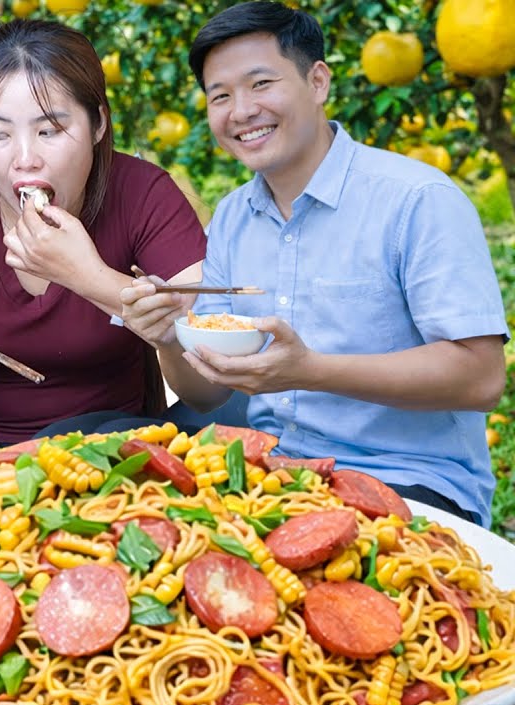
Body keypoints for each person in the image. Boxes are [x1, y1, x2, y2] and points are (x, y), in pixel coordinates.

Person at [120, 1, 507, 526]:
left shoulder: (417, 199)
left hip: (409, 479)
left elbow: (481, 378)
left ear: (318, 81)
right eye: (221, 96)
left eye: (261, 84)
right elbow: (206, 395)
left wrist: (312, 371)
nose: (241, 111)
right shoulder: (233, 217)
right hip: (274, 478)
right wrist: (167, 336)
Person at [0, 19, 208, 466]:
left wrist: (88, 278)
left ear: (98, 124)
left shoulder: (143, 193)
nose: (24, 159)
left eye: (49, 130)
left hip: (119, 446)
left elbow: (211, 384)